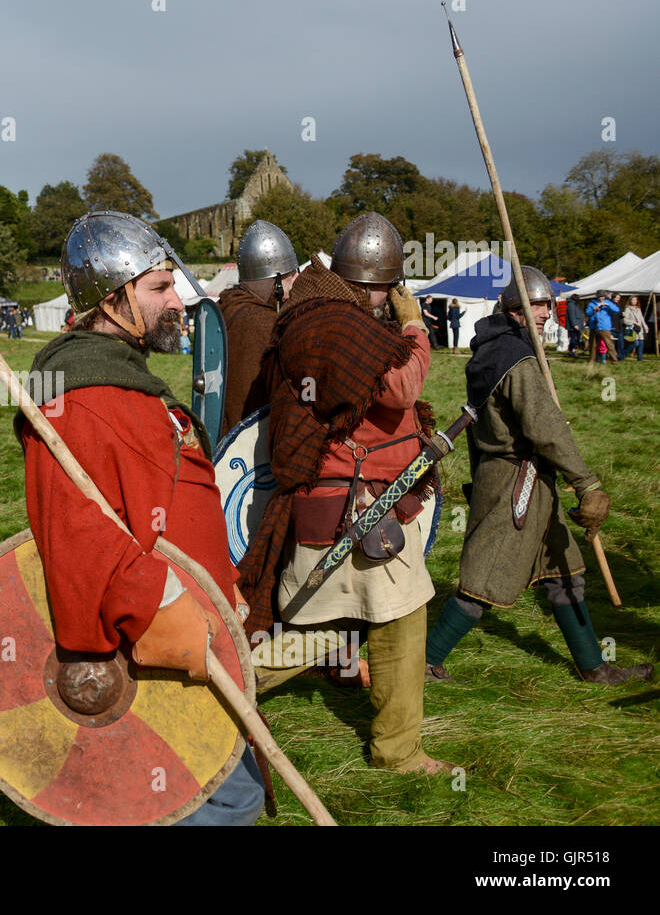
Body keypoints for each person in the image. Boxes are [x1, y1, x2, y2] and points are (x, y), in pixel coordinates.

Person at [18, 211, 266, 825]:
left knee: (223, 784)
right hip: (157, 635)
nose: (177, 298)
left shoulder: (122, 376)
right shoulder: (75, 394)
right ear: (114, 298)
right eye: (159, 288)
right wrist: (161, 608)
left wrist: (222, 589)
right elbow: (78, 536)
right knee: (217, 800)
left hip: (195, 618)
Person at [238, 211, 450, 774]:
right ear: (372, 283)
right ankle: (396, 752)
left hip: (356, 505)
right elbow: (402, 387)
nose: (393, 297)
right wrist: (415, 327)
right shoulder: (331, 321)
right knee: (385, 620)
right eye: (389, 288)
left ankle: (228, 677)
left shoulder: (329, 312)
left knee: (348, 623)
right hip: (354, 509)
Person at [425, 268, 652, 686]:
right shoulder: (515, 357)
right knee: (483, 579)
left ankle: (594, 667)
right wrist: (587, 483)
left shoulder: (496, 349)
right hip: (516, 484)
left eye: (547, 303)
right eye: (536, 304)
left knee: (564, 572)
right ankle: (426, 660)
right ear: (513, 308)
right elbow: (546, 430)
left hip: (529, 482)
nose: (545, 312)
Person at [217, 220, 300, 432]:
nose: (296, 281)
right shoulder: (263, 323)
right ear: (277, 282)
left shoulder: (224, 307)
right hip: (250, 450)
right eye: (291, 276)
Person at [588, 291, 620, 363]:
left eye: (603, 296)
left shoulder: (608, 302)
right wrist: (594, 309)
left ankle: (614, 360)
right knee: (593, 345)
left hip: (605, 326)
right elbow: (587, 312)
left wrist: (608, 305)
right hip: (594, 326)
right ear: (597, 297)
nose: (602, 298)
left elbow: (617, 310)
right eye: (600, 296)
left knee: (609, 344)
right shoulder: (591, 303)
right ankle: (592, 360)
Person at [622, 295, 646, 361]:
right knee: (635, 343)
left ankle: (640, 358)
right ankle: (624, 354)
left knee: (641, 342)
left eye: (635, 300)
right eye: (633, 300)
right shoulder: (627, 309)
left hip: (639, 328)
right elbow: (625, 320)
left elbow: (641, 319)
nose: (634, 301)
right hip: (631, 328)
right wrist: (634, 322)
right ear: (630, 301)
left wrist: (645, 327)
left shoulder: (638, 308)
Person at [565, 294, 586, 359]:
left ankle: (573, 351)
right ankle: (572, 352)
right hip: (573, 326)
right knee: (573, 339)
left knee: (576, 339)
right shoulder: (571, 305)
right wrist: (574, 324)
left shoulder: (575, 304)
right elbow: (572, 316)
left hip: (578, 325)